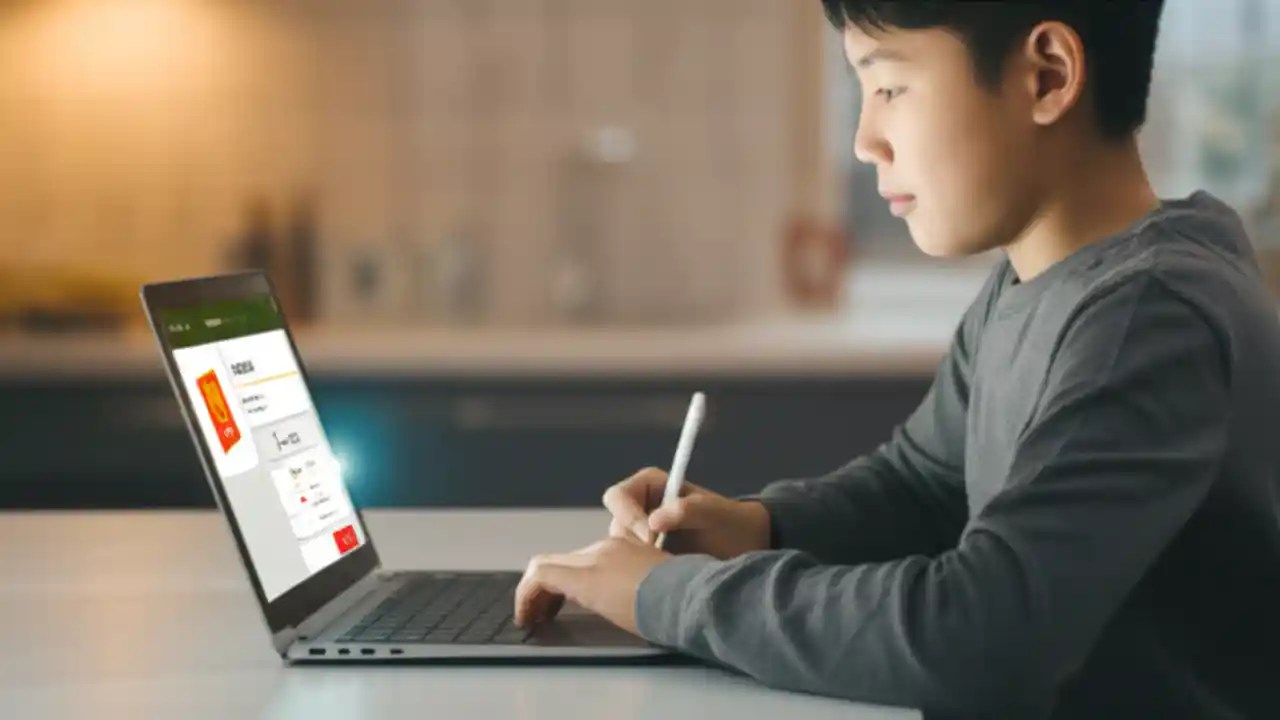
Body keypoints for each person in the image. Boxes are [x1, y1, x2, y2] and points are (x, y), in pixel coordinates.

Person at [513, 2, 1280, 717]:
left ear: (1046, 76)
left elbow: (982, 635)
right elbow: (929, 488)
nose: (863, 139)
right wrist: (758, 527)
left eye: (889, 86)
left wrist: (672, 598)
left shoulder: (1148, 319)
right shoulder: (1044, 281)